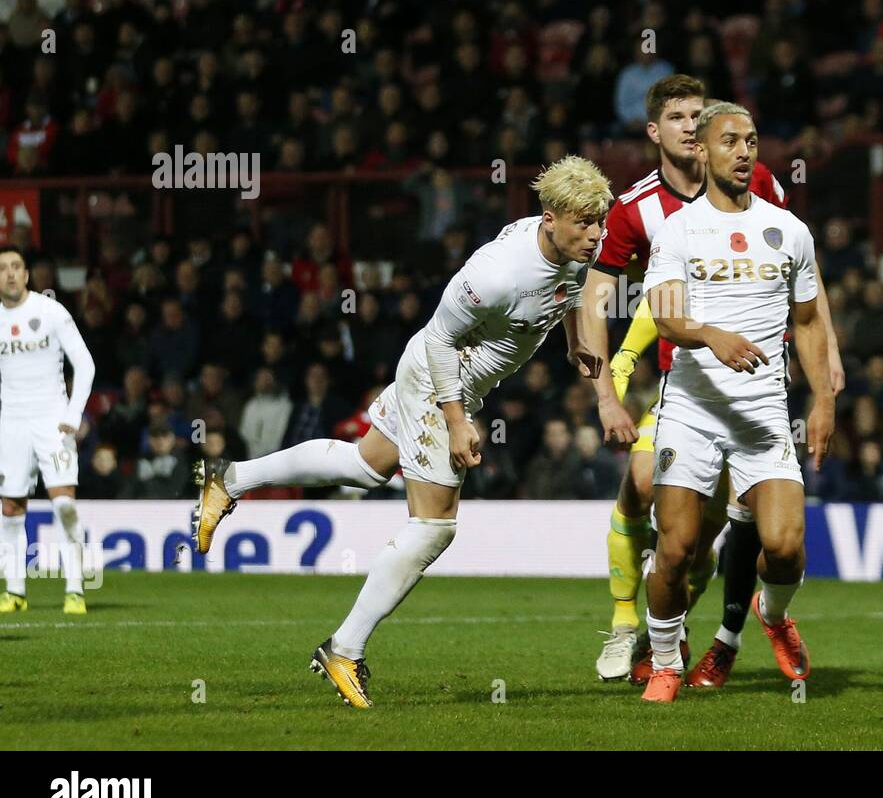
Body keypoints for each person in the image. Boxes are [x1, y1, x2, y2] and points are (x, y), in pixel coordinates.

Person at [193, 157, 612, 707]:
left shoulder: (577, 249)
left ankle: (230, 477)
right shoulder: (496, 273)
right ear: (550, 217)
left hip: (459, 383)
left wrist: (573, 342)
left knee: (365, 465)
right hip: (438, 380)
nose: (597, 234)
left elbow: (570, 294)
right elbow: (439, 341)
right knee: (434, 527)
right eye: (585, 222)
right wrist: (457, 420)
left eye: (601, 221)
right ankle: (345, 647)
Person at [581, 75, 842, 685]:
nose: (740, 150)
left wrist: (827, 371)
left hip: (761, 396)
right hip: (687, 391)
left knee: (760, 538)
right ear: (673, 137)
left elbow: (805, 296)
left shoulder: (775, 205)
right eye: (682, 119)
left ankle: (735, 628)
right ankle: (633, 631)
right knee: (654, 503)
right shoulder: (644, 212)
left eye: (746, 138)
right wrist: (607, 385)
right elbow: (601, 298)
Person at [639, 102, 834, 703]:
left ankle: (772, 616)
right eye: (730, 141)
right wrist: (710, 335)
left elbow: (807, 322)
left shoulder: (788, 229)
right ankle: (667, 660)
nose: (745, 151)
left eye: (751, 140)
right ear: (701, 150)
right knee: (675, 551)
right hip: (693, 411)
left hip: (763, 412)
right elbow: (666, 318)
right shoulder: (679, 229)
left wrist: (823, 397)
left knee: (784, 545)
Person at [0, 246, 96, 615]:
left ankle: (74, 590)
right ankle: (15, 591)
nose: (10, 274)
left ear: (26, 275)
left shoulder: (50, 311)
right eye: (3, 268)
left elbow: (84, 366)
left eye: (16, 267)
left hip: (52, 421)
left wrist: (74, 413)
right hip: (12, 423)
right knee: (10, 506)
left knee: (64, 503)